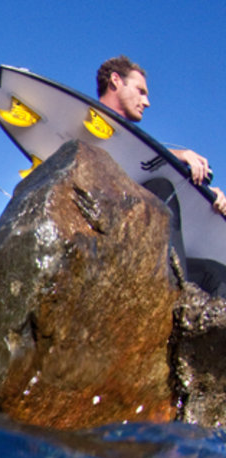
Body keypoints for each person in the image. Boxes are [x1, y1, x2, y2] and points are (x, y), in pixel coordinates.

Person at [97, 55, 226, 291]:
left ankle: (189, 308)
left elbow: (140, 161)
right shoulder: (80, 127)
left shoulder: (142, 152)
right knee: (160, 188)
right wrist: (180, 155)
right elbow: (112, 159)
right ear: (115, 81)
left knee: (217, 274)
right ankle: (175, 298)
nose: (147, 102)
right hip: (113, 241)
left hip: (152, 255)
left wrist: (209, 200)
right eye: (141, 91)